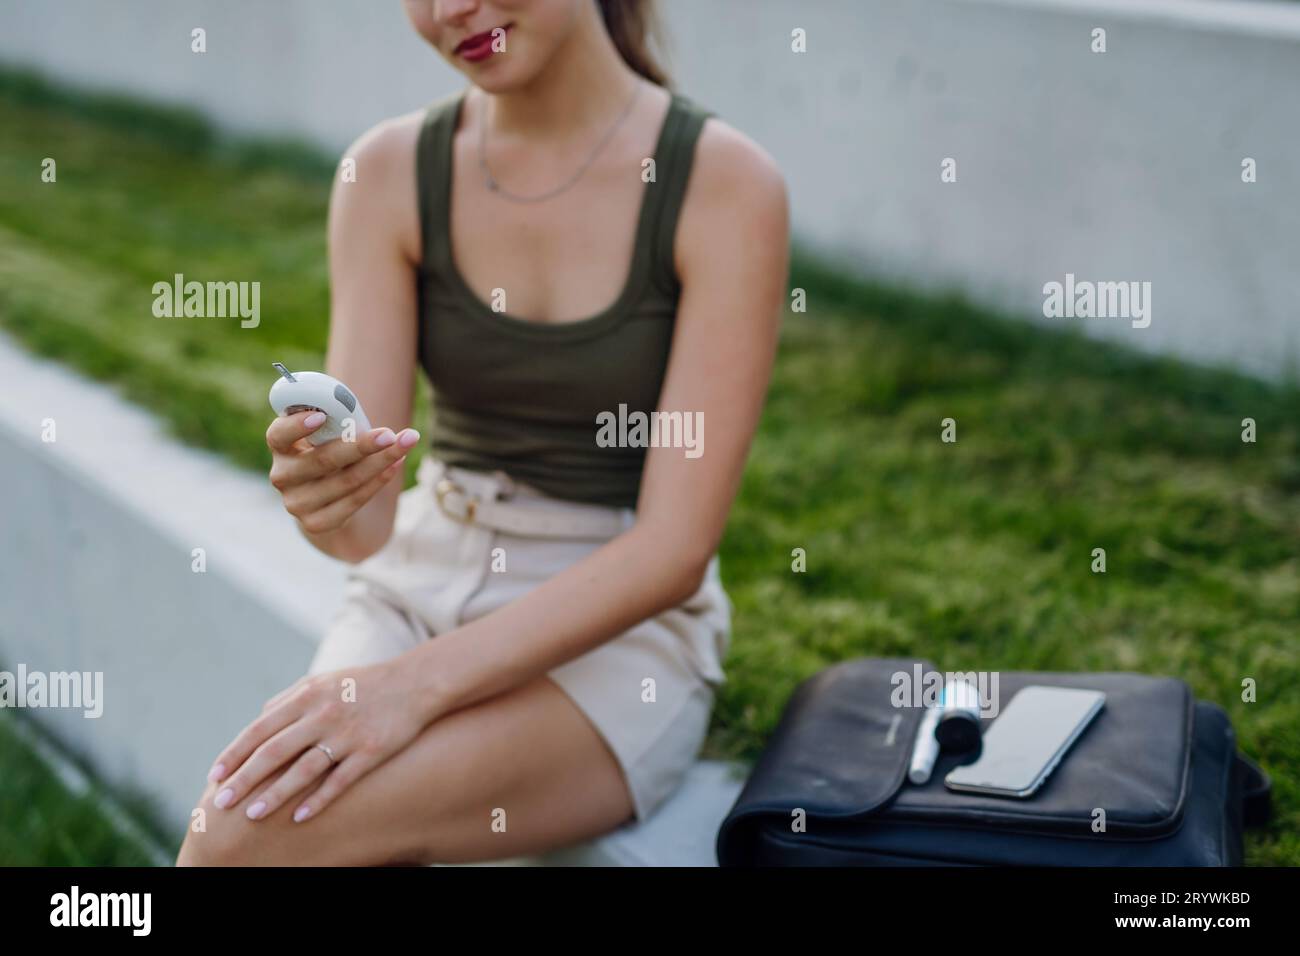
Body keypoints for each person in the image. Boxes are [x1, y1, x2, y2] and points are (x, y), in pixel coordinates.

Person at [177, 0, 788, 866]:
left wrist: (406, 692)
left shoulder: (722, 184)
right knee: (236, 825)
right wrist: (324, 494)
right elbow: (367, 531)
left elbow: (675, 550)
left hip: (618, 629)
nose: (449, 10)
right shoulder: (388, 172)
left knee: (245, 838)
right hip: (422, 578)